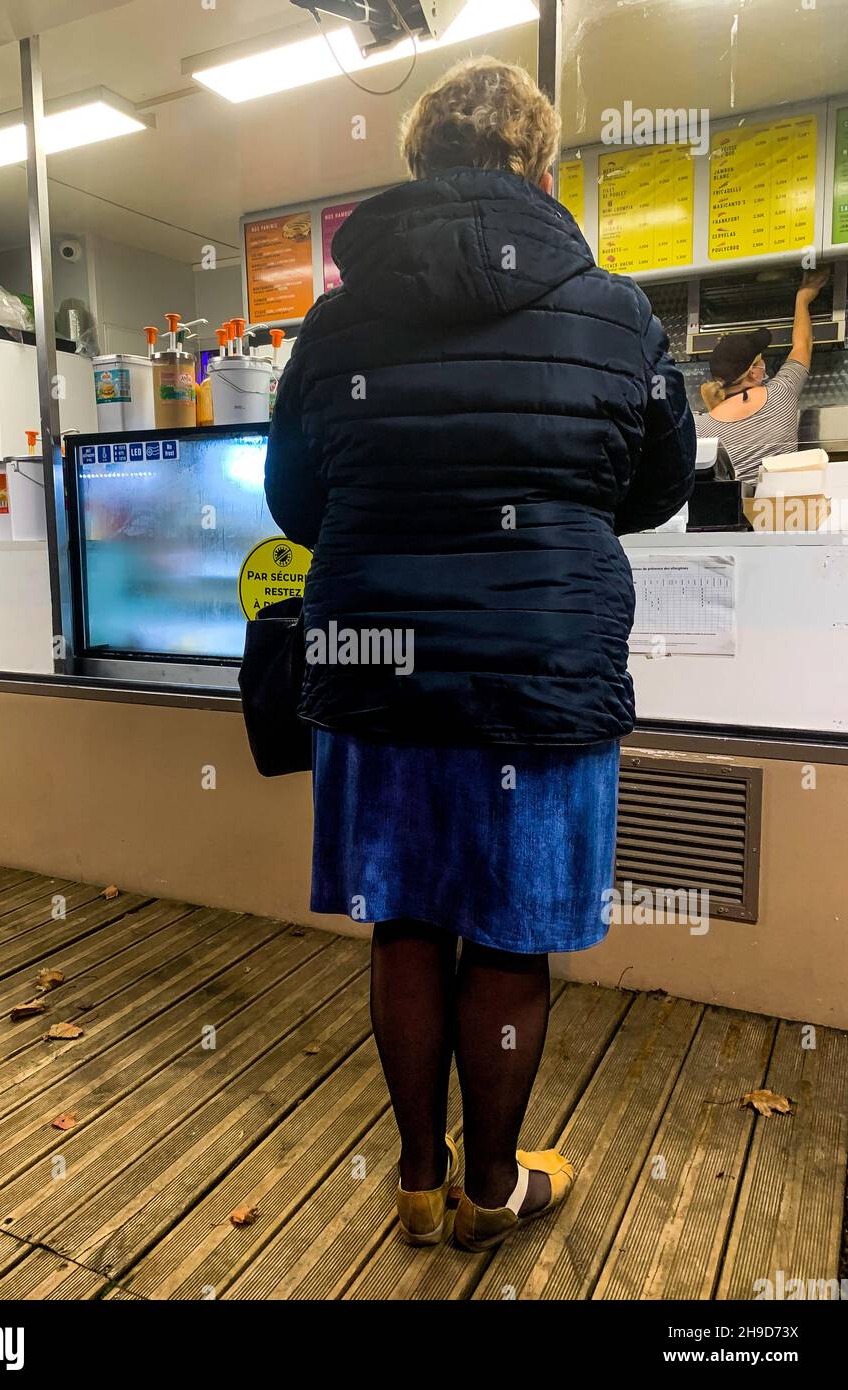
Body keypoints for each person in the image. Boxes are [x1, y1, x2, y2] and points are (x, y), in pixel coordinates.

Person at [264, 56, 695, 1251]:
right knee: (507, 937)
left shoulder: (337, 320)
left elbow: (295, 499)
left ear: (416, 166)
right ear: (540, 166)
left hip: (373, 666)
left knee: (404, 921)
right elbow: (657, 490)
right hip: (536, 672)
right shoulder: (617, 311)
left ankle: (415, 1177)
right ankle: (492, 1186)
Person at [695, 269, 829, 479]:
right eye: (760, 358)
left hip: (731, 510)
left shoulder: (700, 427)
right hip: (781, 510)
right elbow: (803, 344)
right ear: (754, 373)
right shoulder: (781, 393)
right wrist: (802, 300)